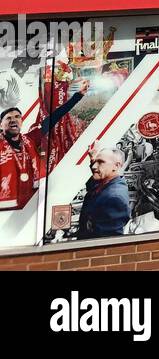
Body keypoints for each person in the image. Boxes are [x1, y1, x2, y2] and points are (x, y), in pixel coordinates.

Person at [0, 78, 88, 210]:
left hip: (32, 202)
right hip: (6, 206)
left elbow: (55, 117)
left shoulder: (30, 139)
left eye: (17, 117)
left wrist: (78, 96)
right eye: (8, 118)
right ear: (1, 125)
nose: (14, 120)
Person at [77, 147, 131, 239]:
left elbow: (106, 242)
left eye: (101, 162)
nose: (94, 166)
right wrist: (93, 160)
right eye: (95, 162)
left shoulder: (114, 198)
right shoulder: (107, 181)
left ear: (116, 166)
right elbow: (92, 184)